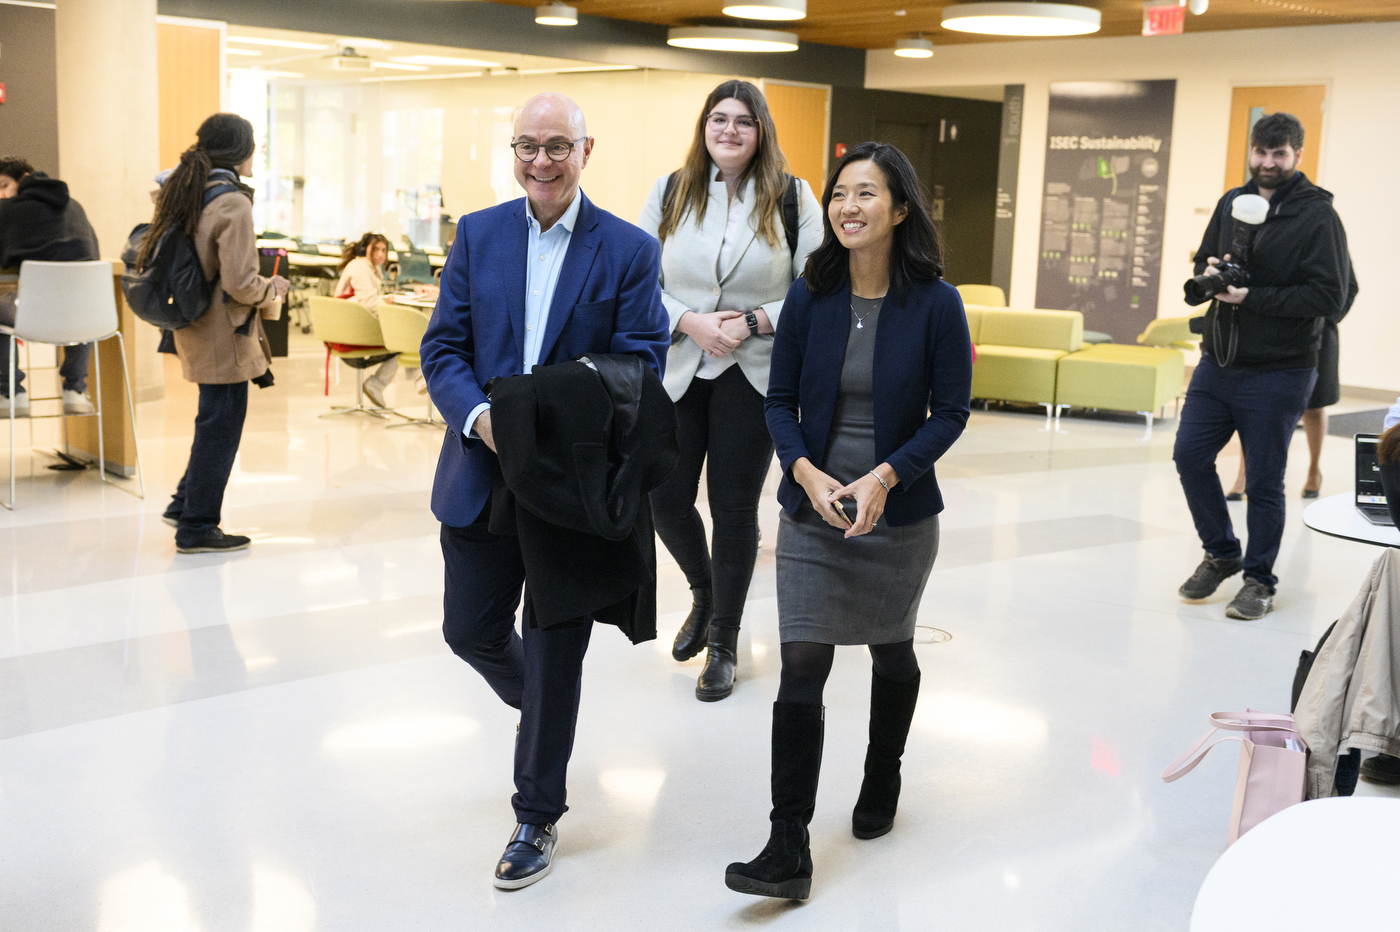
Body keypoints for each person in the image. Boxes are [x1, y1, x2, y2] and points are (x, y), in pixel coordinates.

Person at [418, 93, 669, 891]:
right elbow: (443, 349)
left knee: (558, 647)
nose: (541, 161)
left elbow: (641, 364)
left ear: (586, 151)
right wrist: (484, 418)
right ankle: (547, 712)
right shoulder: (479, 234)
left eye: (557, 145)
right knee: (470, 630)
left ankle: (536, 814)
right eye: (527, 145)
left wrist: (549, 421)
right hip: (483, 467)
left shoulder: (628, 250)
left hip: (569, 484)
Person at [724, 142, 972, 901]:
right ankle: (787, 843)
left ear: (899, 209)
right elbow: (780, 402)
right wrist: (805, 471)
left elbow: (951, 413)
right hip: (814, 510)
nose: (847, 206)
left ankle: (882, 772)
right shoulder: (812, 294)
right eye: (838, 193)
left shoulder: (936, 303)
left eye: (865, 193)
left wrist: (884, 478)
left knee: (891, 653)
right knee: (802, 664)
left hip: (897, 516)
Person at [636, 80, 822, 701]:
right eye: (719, 118)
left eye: (743, 121)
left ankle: (723, 642)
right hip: (680, 365)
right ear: (704, 126)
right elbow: (637, 279)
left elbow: (817, 286)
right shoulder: (670, 191)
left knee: (734, 509)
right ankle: (706, 591)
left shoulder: (793, 197)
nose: (730, 130)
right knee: (663, 498)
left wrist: (753, 321)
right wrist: (688, 321)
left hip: (754, 370)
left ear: (761, 130)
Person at [1174, 112, 1357, 620]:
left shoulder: (1318, 216)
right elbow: (1203, 259)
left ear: (1298, 155)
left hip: (1281, 368)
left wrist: (1251, 296)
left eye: (1279, 154)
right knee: (1189, 456)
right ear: (1251, 151)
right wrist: (1210, 270)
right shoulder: (1232, 202)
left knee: (1263, 480)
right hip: (1219, 359)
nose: (1268, 162)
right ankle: (1221, 553)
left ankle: (1259, 580)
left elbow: (1330, 295)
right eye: (1261, 152)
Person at [146, 114, 290, 554]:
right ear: (240, 150)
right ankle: (197, 527)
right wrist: (272, 288)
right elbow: (241, 283)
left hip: (193, 323)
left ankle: (182, 506)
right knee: (220, 429)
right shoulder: (232, 202)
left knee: (212, 422)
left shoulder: (187, 189)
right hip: (224, 334)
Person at [0, 156, 100, 417]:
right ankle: (75, 390)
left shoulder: (8, 211)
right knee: (79, 302)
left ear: (24, 178)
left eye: (4, 185)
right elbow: (93, 254)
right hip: (88, 317)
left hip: (33, 316)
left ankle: (10, 394)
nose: (2, 195)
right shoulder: (75, 206)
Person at [333, 232, 426, 405]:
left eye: (384, 250)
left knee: (401, 337)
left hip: (352, 324)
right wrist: (387, 305)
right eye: (375, 249)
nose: (380, 254)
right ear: (364, 249)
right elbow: (369, 303)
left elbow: (367, 300)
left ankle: (392, 381)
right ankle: (414, 376)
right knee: (402, 337)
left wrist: (385, 301)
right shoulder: (359, 268)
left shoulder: (368, 268)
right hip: (350, 331)